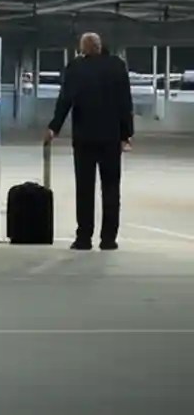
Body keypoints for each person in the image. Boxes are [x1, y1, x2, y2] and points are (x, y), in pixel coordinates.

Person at [44, 32, 134, 251]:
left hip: (84, 138)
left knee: (84, 189)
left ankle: (84, 237)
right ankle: (109, 239)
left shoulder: (75, 68)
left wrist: (54, 127)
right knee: (111, 189)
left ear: (84, 48)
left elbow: (65, 99)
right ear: (100, 46)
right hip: (110, 138)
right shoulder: (117, 66)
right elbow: (125, 102)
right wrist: (126, 135)